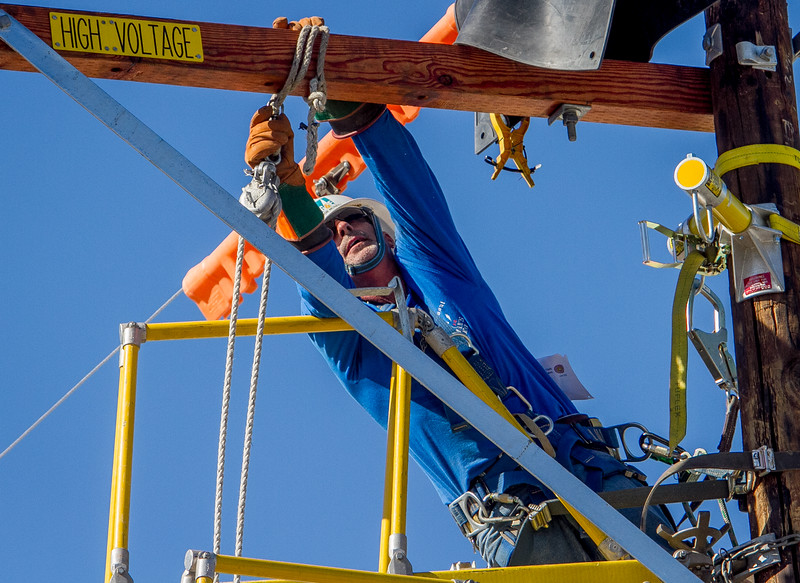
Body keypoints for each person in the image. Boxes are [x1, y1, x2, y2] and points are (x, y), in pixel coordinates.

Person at [241, 17, 672, 567]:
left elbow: (409, 185)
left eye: (354, 219)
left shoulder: (441, 273)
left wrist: (343, 98)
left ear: (386, 235)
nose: (346, 230)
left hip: (593, 472)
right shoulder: (349, 338)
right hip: (509, 514)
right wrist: (286, 185)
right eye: (336, 229)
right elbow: (312, 262)